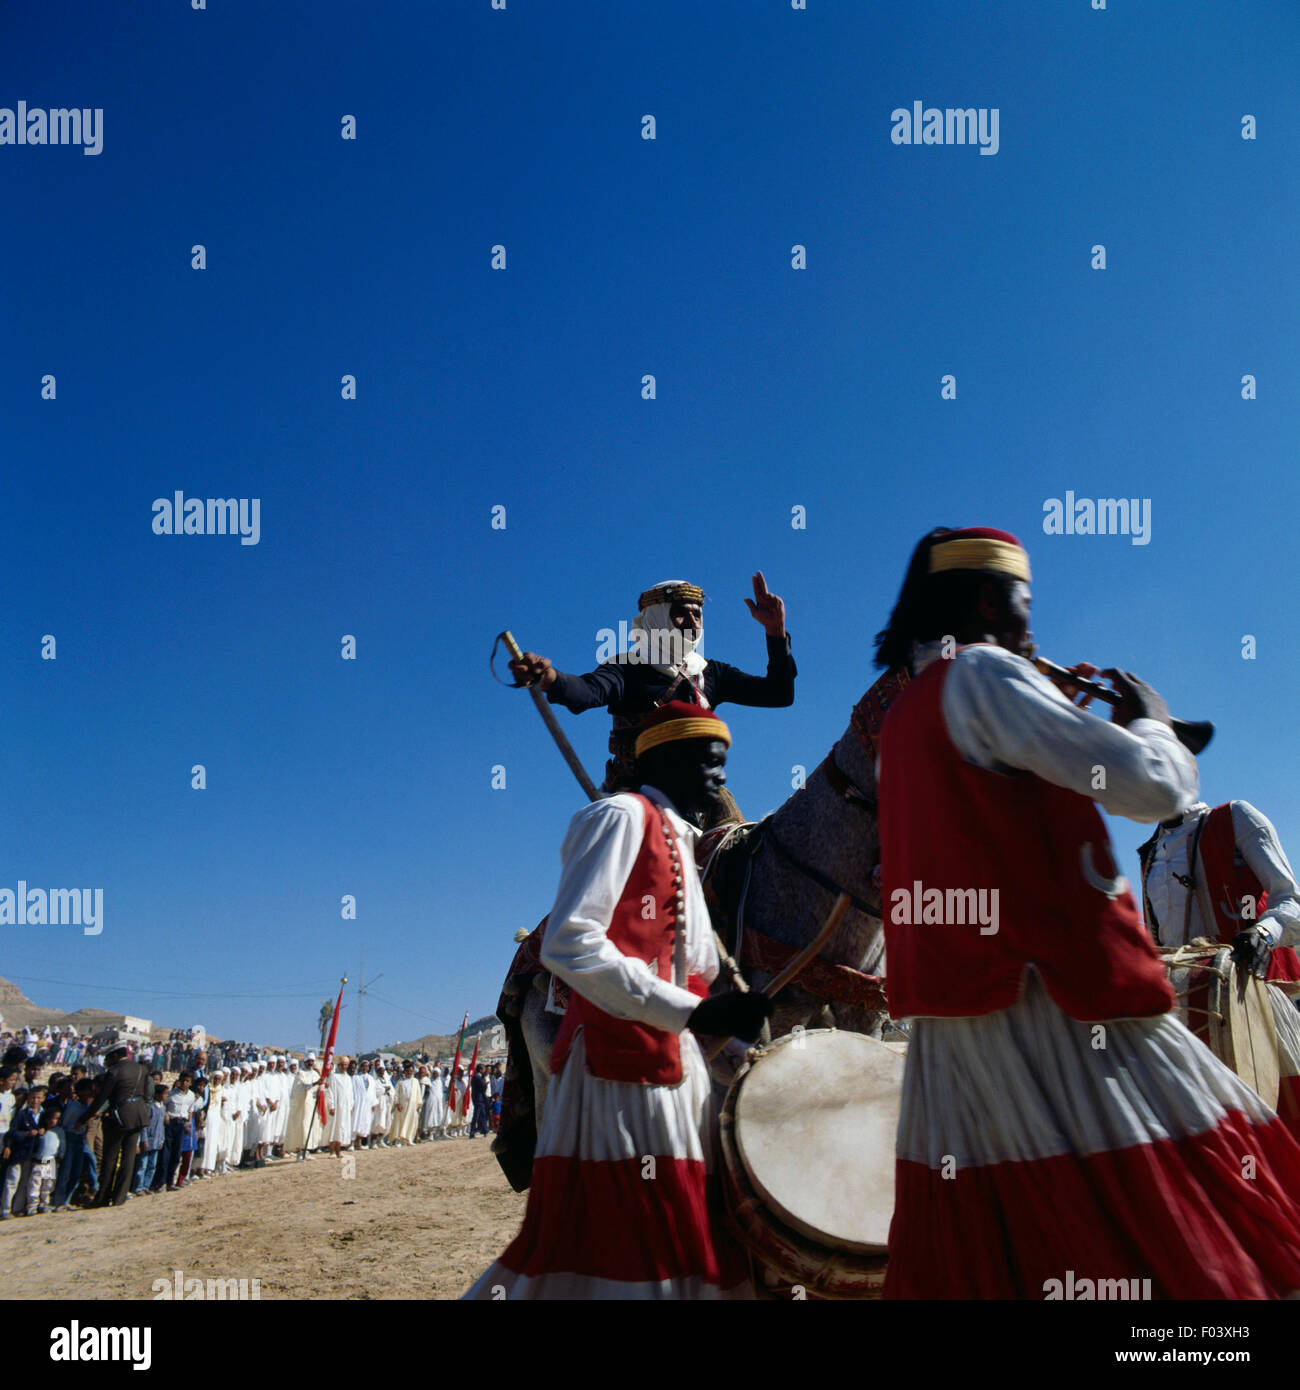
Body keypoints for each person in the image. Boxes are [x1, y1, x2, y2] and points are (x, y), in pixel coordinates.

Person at [873, 525, 1300, 1298]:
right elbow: (1152, 787)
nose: (1032, 623)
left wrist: (1059, 718)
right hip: (1062, 1015)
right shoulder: (986, 675)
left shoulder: (906, 718)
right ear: (984, 600)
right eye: (1022, 602)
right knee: (1189, 1236)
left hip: (956, 1043)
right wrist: (1154, 723)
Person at [466, 701, 771, 1299]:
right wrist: (692, 1013)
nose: (721, 777)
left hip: (676, 1074)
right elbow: (571, 943)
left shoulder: (684, 841)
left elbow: (701, 968)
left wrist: (733, 1035)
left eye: (724, 763)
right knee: (626, 1249)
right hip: (616, 1071)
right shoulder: (617, 818)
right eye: (709, 762)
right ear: (667, 758)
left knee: (681, 1239)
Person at [508, 575, 795, 815]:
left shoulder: (711, 673)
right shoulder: (627, 668)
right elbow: (585, 693)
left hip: (700, 800)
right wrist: (549, 677)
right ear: (656, 618)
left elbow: (778, 693)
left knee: (742, 855)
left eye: (697, 614)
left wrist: (775, 631)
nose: (692, 623)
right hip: (637, 794)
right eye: (681, 612)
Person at [1139, 798, 1300, 1138]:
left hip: (1255, 1003)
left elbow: (1292, 903)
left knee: (1284, 1132)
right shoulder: (1150, 853)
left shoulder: (1235, 818)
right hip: (1188, 1017)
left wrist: (1263, 933)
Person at [89, 1046, 152, 1208]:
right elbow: (146, 1096)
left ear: (115, 1056)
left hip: (118, 1117)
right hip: (137, 1116)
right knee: (128, 1159)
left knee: (110, 1157)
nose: (106, 1061)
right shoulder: (141, 1069)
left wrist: (87, 1115)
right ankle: (119, 1197)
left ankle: (102, 1196)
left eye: (108, 1058)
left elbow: (103, 1096)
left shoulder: (115, 1070)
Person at [1, 1084, 48, 1218]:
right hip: (19, 1152)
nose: (35, 1100)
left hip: (32, 1154)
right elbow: (13, 1132)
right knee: (12, 1182)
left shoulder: (43, 1115)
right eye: (32, 1097)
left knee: (24, 1182)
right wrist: (27, 1134)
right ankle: (5, 1210)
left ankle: (17, 1208)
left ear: (43, 1099)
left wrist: (42, 1130)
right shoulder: (22, 1114)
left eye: (38, 1097)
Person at [132, 1086, 167, 1195]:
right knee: (142, 1165)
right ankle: (138, 1187)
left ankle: (146, 1185)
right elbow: (145, 1125)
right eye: (165, 1093)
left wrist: (162, 1139)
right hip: (148, 1140)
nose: (166, 1096)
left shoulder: (163, 1107)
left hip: (157, 1141)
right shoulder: (150, 1107)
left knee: (152, 1165)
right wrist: (144, 1139)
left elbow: (161, 1126)